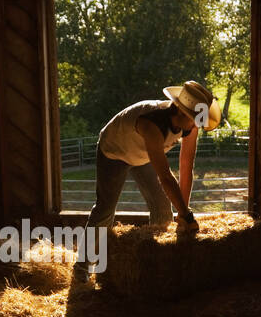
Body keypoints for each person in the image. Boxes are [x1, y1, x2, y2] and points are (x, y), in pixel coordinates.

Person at [73, 79, 222, 282]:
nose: (199, 123)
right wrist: (187, 216)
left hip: (145, 155)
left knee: (162, 208)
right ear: (182, 112)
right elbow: (165, 177)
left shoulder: (190, 126)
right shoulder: (151, 124)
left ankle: (157, 261)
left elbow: (186, 165)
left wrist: (182, 212)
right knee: (105, 209)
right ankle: (82, 267)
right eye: (196, 118)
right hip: (115, 151)